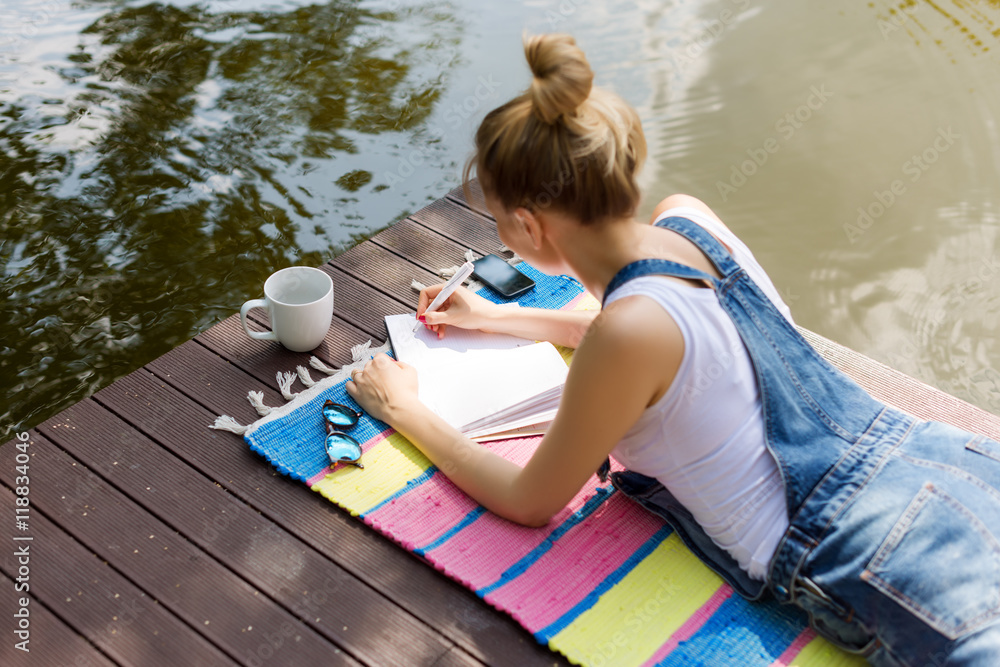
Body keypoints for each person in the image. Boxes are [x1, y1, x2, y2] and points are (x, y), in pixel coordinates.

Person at [345, 33, 1000, 666]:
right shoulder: (688, 221)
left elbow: (530, 499)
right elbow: (679, 347)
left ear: (527, 223)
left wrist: (404, 408)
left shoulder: (625, 336)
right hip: (939, 458)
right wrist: (501, 319)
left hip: (862, 539)